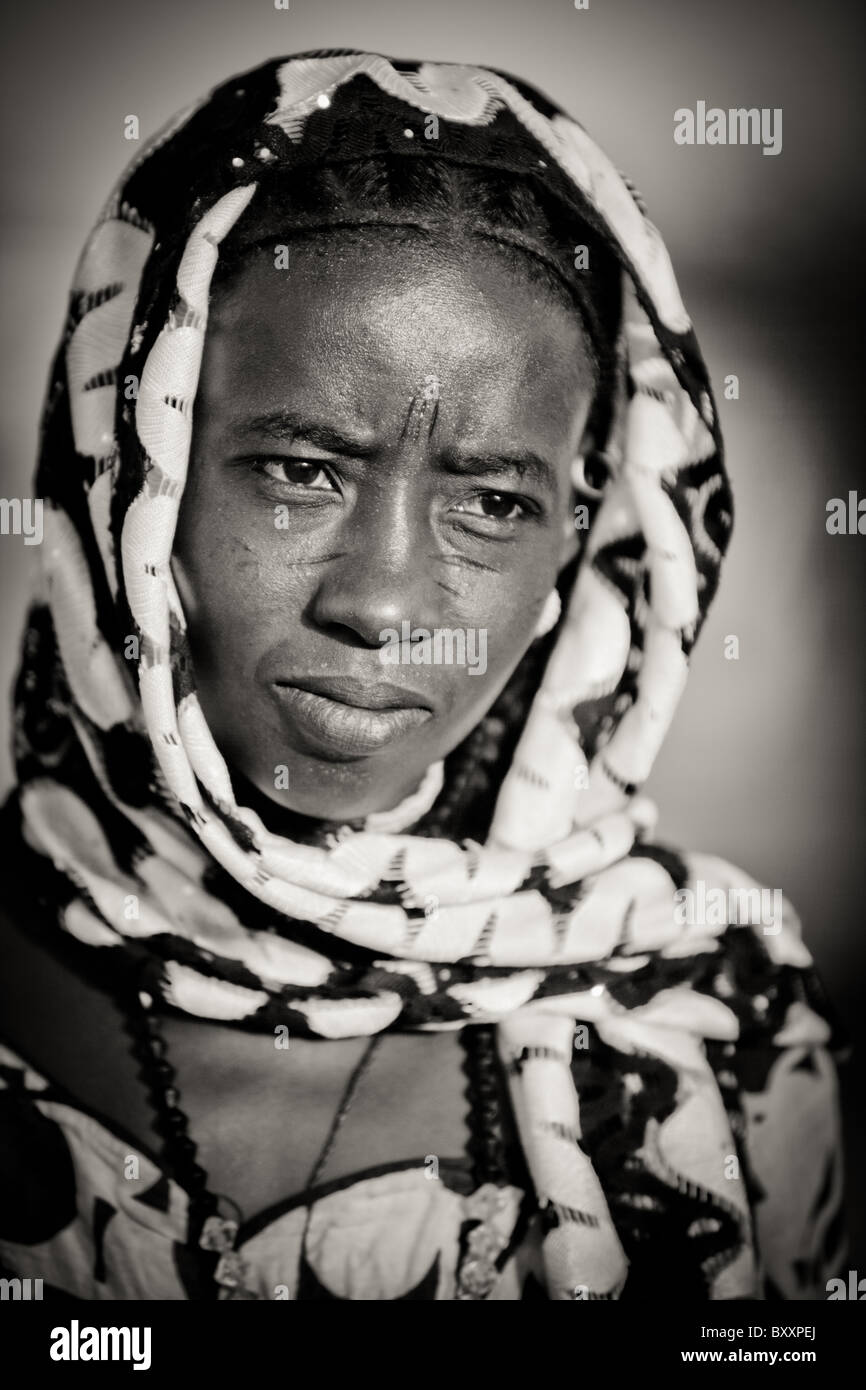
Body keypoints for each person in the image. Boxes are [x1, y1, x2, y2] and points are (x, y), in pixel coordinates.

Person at [0, 49, 847, 1301]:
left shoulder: (705, 1012)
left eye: (494, 501)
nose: (382, 602)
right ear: (128, 478)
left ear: (588, 543)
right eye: (300, 470)